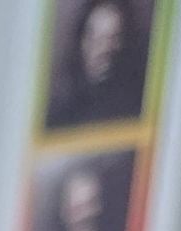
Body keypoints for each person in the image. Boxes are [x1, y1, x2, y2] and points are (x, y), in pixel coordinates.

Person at [43, 0, 152, 132]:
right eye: (94, 38)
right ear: (80, 41)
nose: (103, 49)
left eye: (113, 38)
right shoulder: (59, 110)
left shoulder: (138, 109)